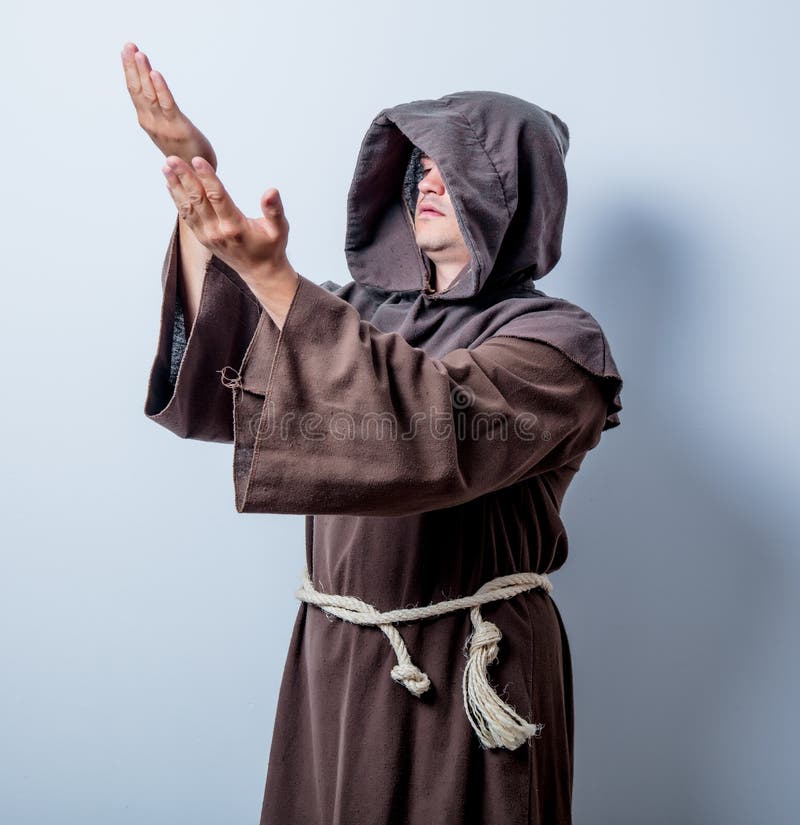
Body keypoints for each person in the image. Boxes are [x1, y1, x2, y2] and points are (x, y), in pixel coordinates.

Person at [122, 40, 624, 825]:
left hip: (468, 665)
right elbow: (232, 372)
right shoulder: (353, 311)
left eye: (452, 167)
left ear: (512, 192)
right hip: (337, 658)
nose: (424, 177)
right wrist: (200, 195)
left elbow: (429, 432)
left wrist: (277, 281)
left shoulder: (559, 346)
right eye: (418, 163)